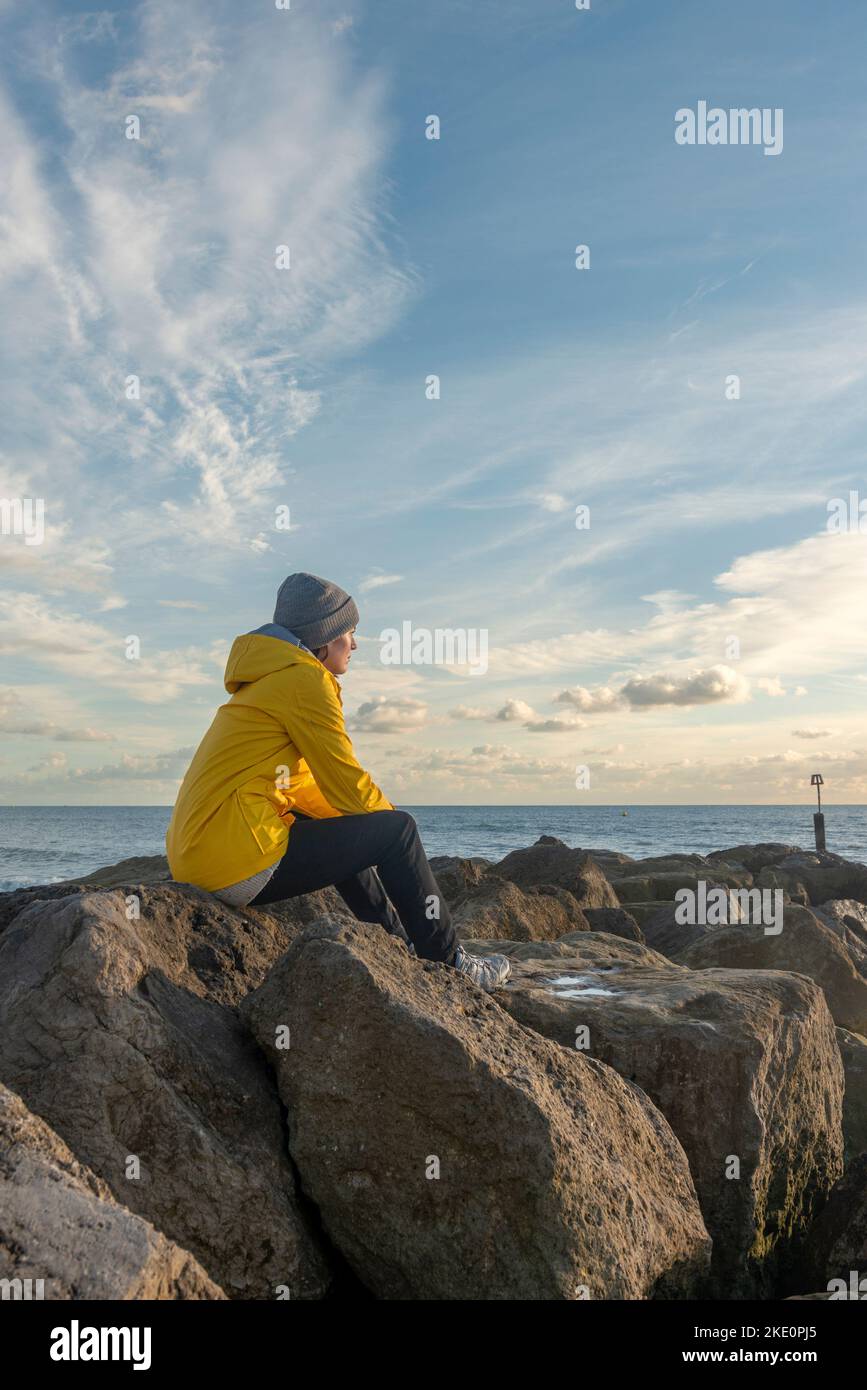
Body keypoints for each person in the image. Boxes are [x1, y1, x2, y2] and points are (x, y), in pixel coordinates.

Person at [166, 572, 511, 990]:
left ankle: (395, 946)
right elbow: (345, 781)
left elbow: (313, 790)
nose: (356, 645)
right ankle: (450, 962)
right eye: (351, 633)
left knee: (347, 825)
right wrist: (391, 830)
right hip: (234, 859)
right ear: (325, 640)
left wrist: (366, 828)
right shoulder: (304, 680)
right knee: (398, 832)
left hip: (199, 857)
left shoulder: (267, 681)